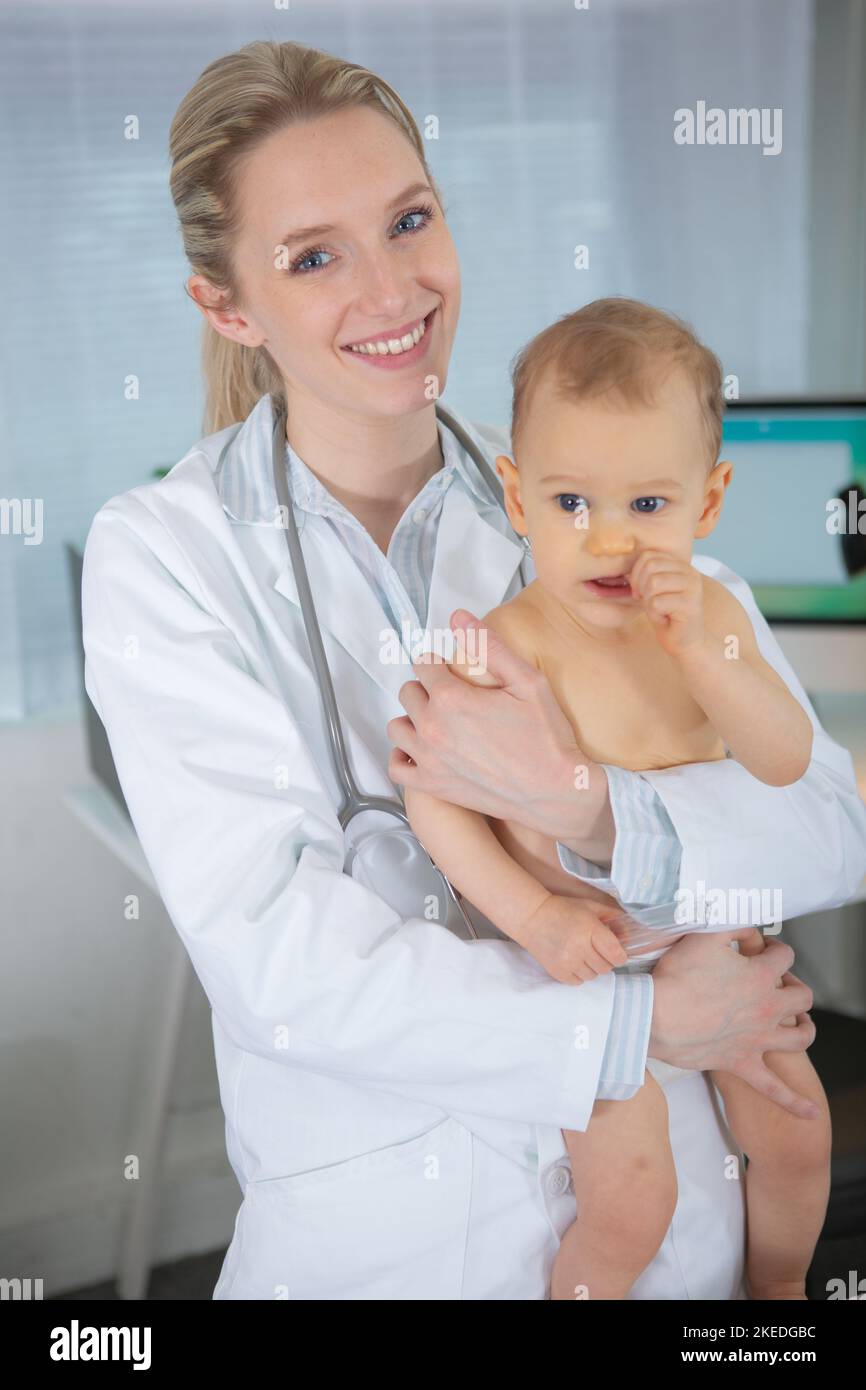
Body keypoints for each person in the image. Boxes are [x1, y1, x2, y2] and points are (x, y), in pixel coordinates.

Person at [80, 39, 866, 1300]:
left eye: (409, 219)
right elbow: (280, 960)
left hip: (679, 1239)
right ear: (227, 307)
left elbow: (828, 826)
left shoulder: (590, 488)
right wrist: (636, 1021)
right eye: (314, 255)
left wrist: (599, 813)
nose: (392, 289)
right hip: (386, 1245)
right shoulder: (166, 555)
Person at [404, 298, 833, 1302]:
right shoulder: (502, 643)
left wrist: (709, 660)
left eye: (646, 507)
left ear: (707, 501)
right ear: (514, 496)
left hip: (713, 935)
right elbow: (434, 801)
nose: (606, 542)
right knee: (631, 1202)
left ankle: (775, 1302)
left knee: (799, 1136)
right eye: (568, 504)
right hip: (589, 971)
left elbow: (784, 758)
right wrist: (537, 915)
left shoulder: (711, 609)